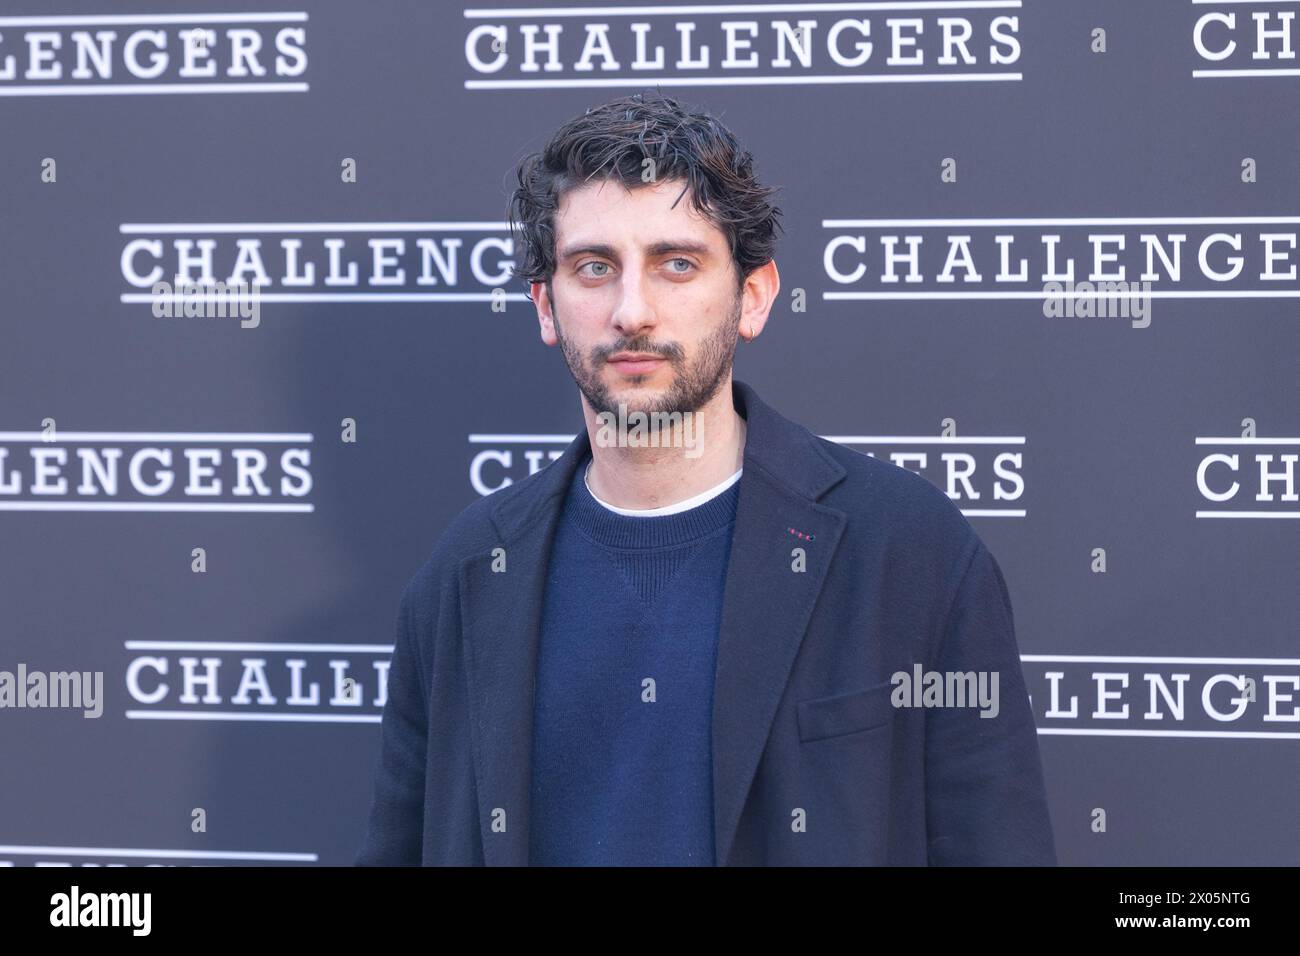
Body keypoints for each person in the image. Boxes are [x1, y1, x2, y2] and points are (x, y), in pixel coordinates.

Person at [356, 90, 1055, 866]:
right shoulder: (466, 574)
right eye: (594, 267)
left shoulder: (908, 551)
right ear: (546, 308)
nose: (632, 311)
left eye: (676, 264)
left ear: (751, 297)